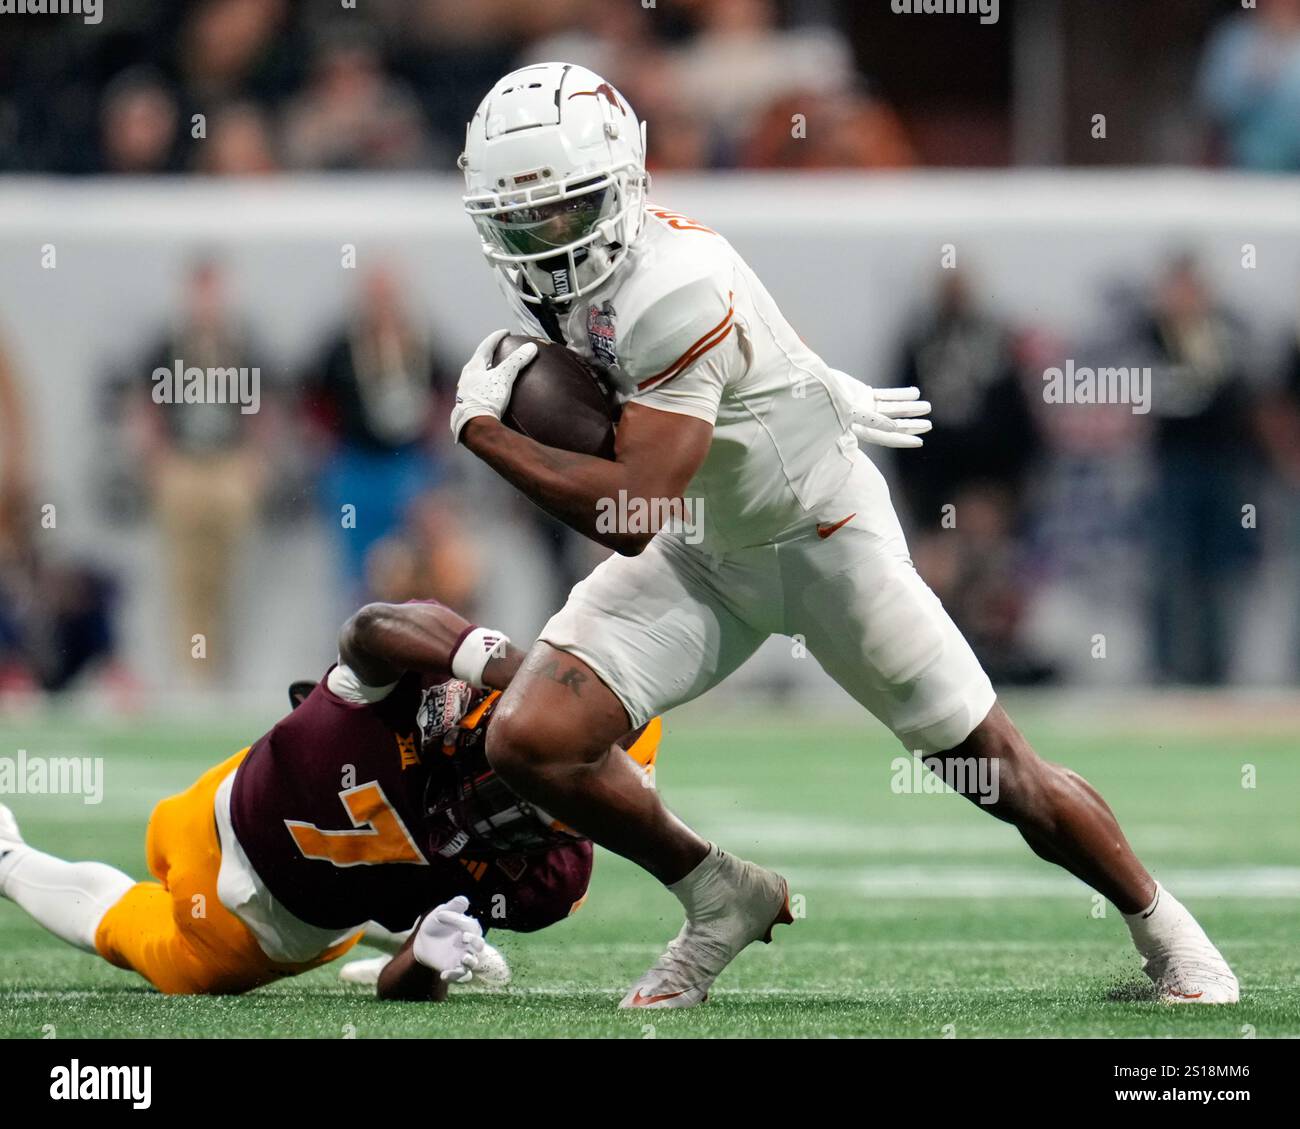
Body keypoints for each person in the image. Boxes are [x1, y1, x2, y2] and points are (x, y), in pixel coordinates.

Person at [449, 63, 1239, 1009]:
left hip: (821, 539)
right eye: (522, 220)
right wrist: (805, 380)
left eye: (564, 211)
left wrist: (482, 431)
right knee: (531, 738)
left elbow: (631, 513)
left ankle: (1177, 940)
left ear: (624, 186)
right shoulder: (593, 277)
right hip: (710, 547)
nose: (545, 241)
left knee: (999, 772)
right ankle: (719, 894)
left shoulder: (670, 285)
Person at [0, 598, 660, 996]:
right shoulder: (428, 677)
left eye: (556, 792)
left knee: (124, 932)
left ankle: (5, 856)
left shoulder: (547, 879)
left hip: (260, 934)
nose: (519, 792)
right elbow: (370, 626)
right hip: (226, 798)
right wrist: (514, 673)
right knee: (162, 838)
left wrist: (424, 962)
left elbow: (407, 980)